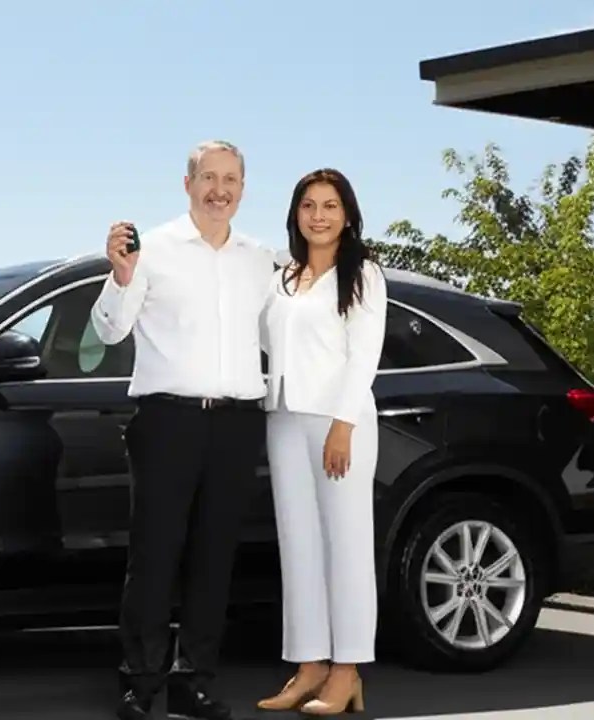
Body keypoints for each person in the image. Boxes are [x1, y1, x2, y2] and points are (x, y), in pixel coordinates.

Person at [91, 140, 277, 720]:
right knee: (154, 556)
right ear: (188, 183)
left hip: (237, 423)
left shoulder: (259, 259)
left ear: (243, 189)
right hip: (168, 420)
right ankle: (141, 681)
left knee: (213, 557)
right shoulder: (156, 249)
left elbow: (278, 339)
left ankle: (193, 680)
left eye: (231, 180)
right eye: (208, 178)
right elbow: (109, 332)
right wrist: (121, 277)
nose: (219, 189)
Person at [255, 168, 386, 716]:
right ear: (296, 215)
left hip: (340, 422)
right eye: (308, 206)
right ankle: (308, 666)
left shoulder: (363, 275)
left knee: (347, 546)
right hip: (283, 417)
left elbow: (364, 354)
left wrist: (343, 423)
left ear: (348, 214)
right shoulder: (283, 277)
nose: (319, 215)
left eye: (330, 206)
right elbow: (263, 339)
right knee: (299, 546)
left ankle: (347, 670)